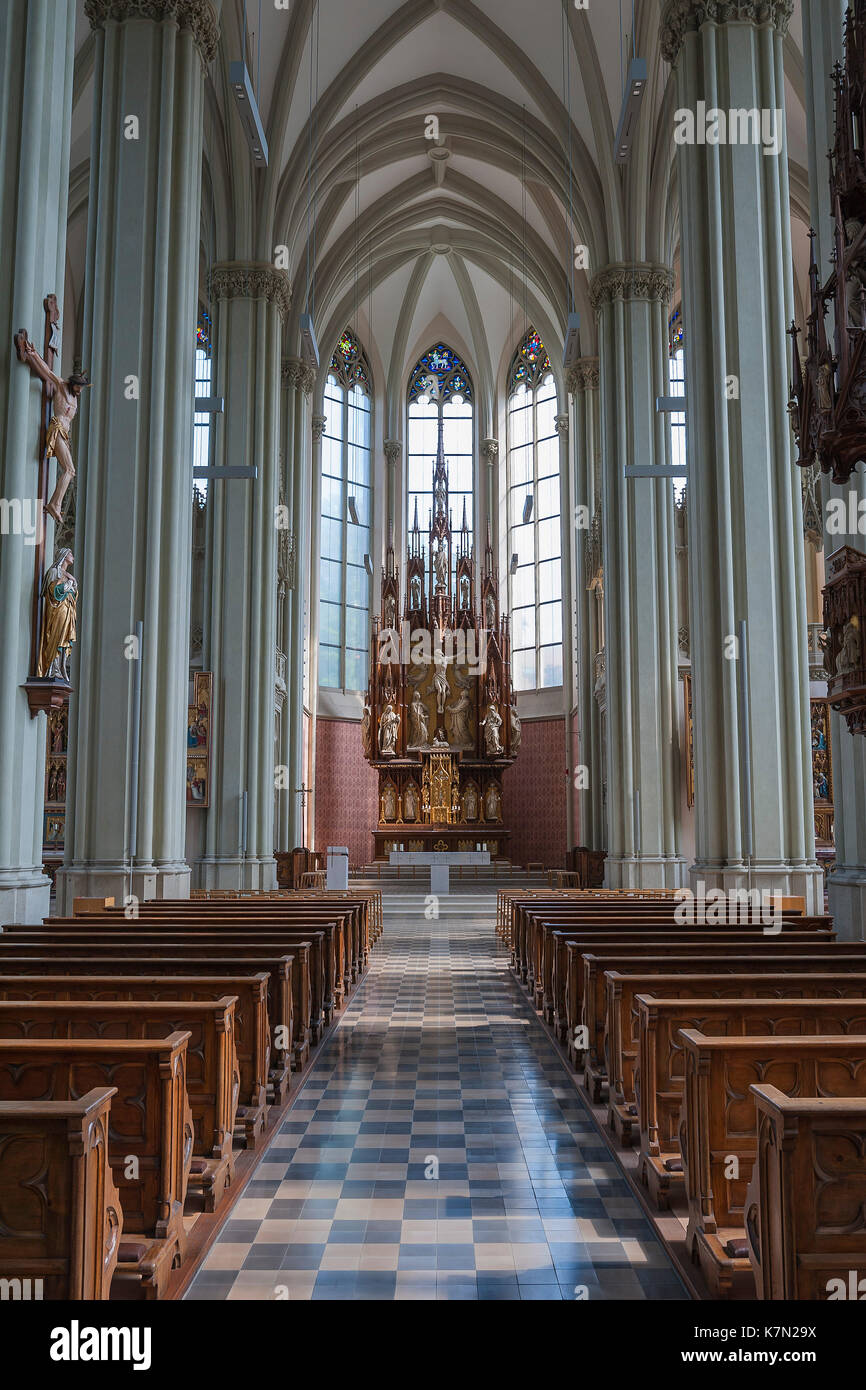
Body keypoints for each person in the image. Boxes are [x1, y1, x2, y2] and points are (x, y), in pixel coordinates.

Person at [18, 336, 91, 523]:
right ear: (74, 383)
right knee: (70, 469)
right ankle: (54, 504)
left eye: (82, 388)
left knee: (70, 470)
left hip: (64, 434)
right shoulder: (61, 386)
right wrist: (34, 355)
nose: (80, 391)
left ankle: (55, 504)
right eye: (79, 387)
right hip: (57, 429)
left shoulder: (74, 399)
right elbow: (47, 372)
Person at [37, 549, 78, 680]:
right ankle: (52, 668)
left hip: (68, 611)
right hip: (57, 611)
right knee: (56, 637)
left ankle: (61, 667)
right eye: (70, 554)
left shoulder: (67, 574)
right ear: (64, 556)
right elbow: (52, 592)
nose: (73, 557)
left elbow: (73, 594)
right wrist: (67, 586)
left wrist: (71, 587)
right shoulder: (55, 572)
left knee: (64, 639)